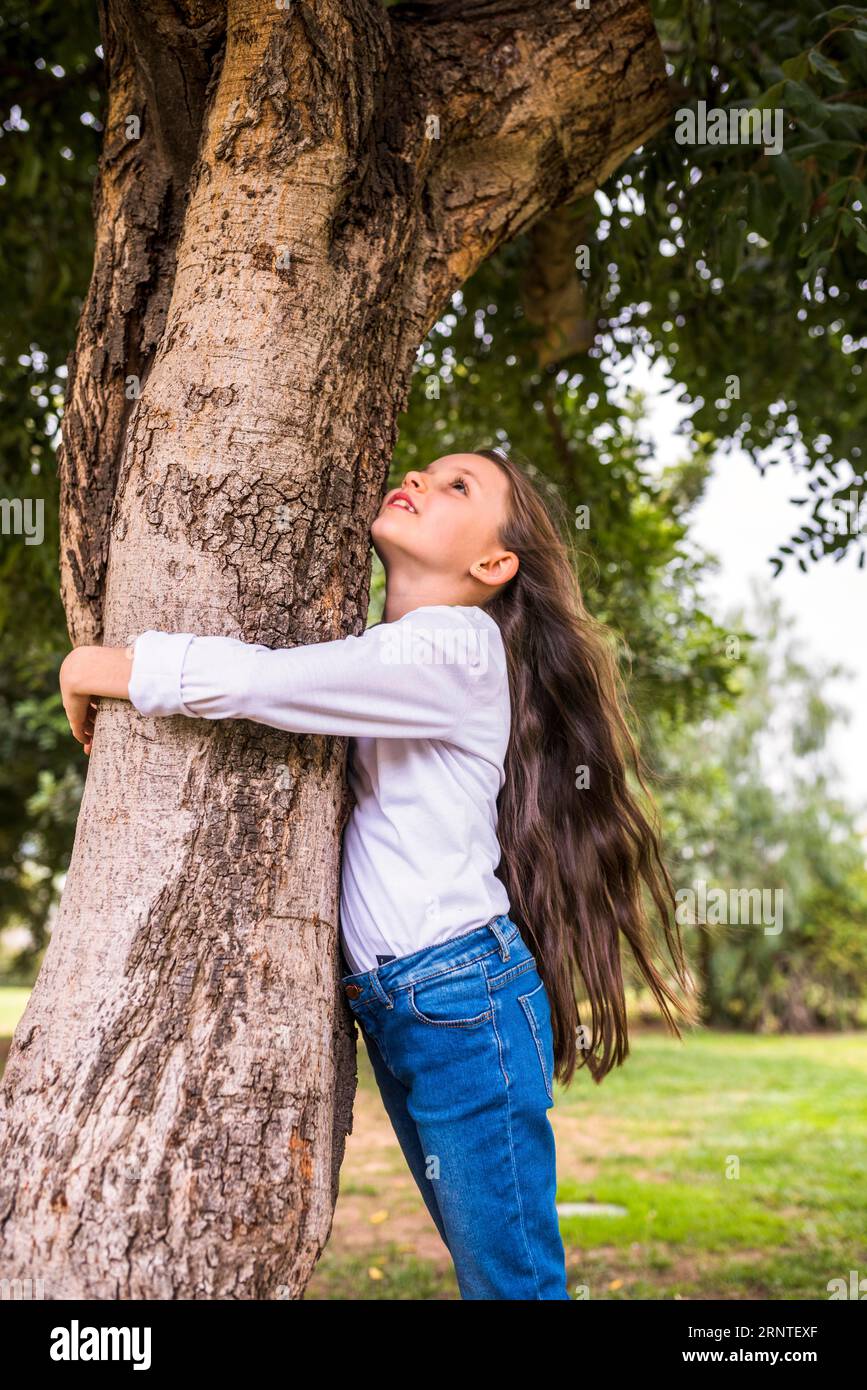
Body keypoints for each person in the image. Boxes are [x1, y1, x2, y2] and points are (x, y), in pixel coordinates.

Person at [60, 445, 697, 1300]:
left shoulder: (454, 646)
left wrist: (109, 668)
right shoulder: (402, 654)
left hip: (457, 999)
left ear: (494, 564)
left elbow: (264, 682)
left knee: (513, 1288)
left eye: (456, 486)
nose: (419, 482)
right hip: (420, 1003)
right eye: (424, 472)